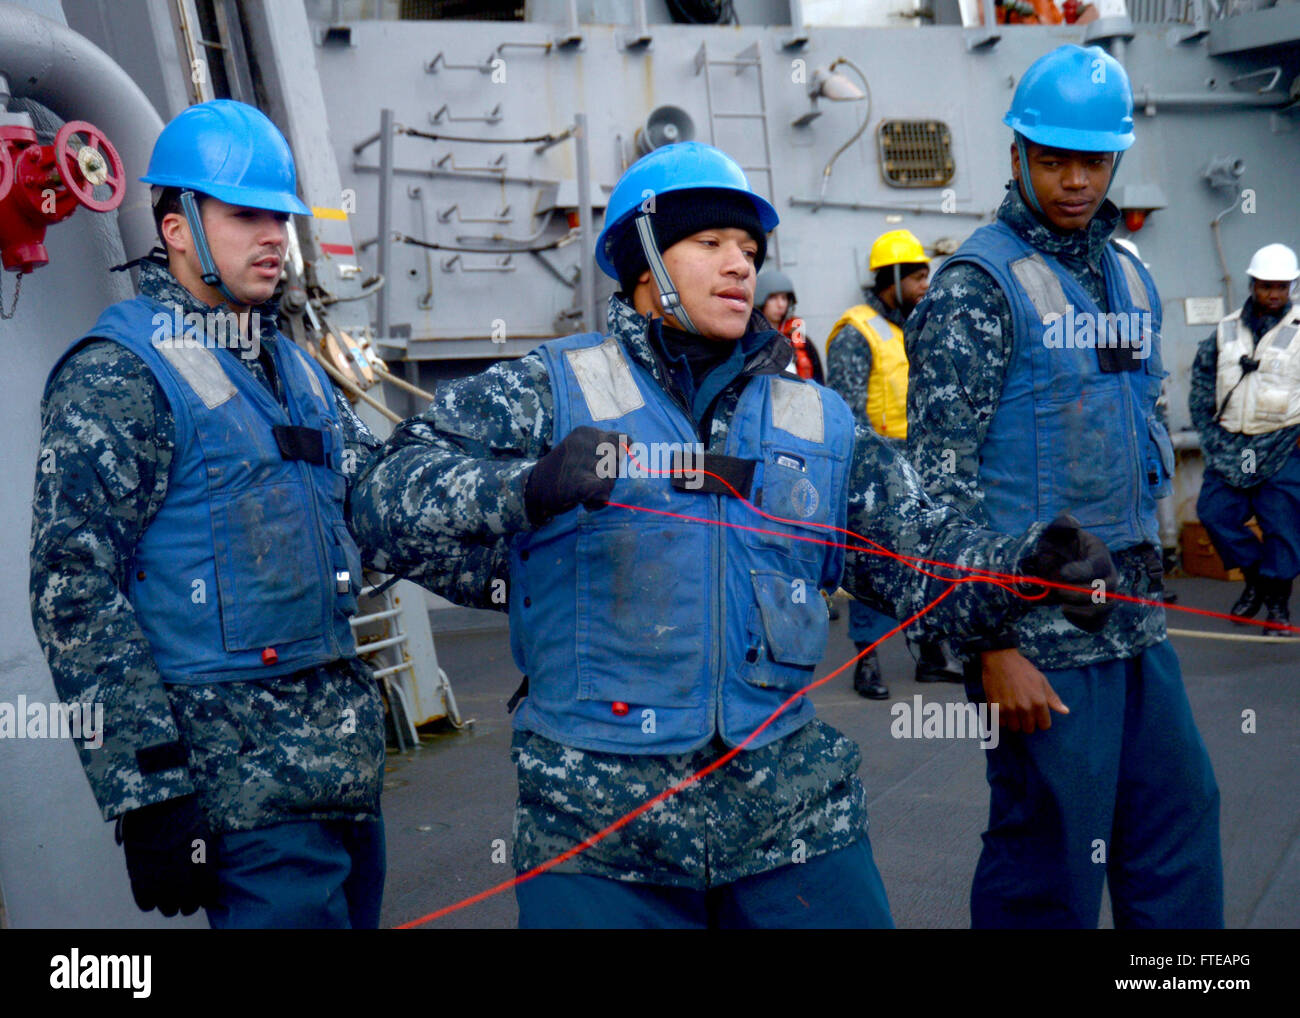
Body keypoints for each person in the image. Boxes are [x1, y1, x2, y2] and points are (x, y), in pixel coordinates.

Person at [349, 139, 1117, 929]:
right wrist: (527, 487)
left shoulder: (814, 416)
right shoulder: (551, 387)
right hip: (596, 826)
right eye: (709, 244)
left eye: (748, 249)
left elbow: (918, 547)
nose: (739, 266)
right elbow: (381, 497)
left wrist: (1025, 568)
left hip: (787, 811)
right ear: (644, 261)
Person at [29, 100, 389, 928]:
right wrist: (149, 789)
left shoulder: (292, 367)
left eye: (281, 218)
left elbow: (376, 504)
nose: (273, 236)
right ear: (179, 227)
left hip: (343, 783)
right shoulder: (120, 374)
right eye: (245, 215)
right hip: (244, 800)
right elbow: (73, 591)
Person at [904, 44, 1223, 929]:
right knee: (1050, 865)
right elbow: (935, 493)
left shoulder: (1130, 275)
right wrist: (988, 645)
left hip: (1134, 621)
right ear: (1017, 156)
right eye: (1053, 160)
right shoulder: (977, 289)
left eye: (1092, 160)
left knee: (1179, 829)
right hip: (1035, 638)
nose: (1074, 180)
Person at [824, 230, 962, 698]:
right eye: (920, 275)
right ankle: (867, 661)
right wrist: (874, 471)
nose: (928, 283)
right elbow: (846, 408)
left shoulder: (916, 326)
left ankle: (930, 655)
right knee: (876, 560)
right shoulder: (856, 332)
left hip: (924, 461)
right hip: (880, 468)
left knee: (930, 557)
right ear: (895, 276)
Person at [1190, 243, 1300, 634]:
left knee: (1282, 526)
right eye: (1266, 286)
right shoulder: (1225, 330)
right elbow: (1203, 382)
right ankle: (1257, 579)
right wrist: (1208, 432)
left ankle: (1277, 606)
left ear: (1291, 287)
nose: (1274, 295)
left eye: (1282, 287)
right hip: (1231, 446)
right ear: (1253, 284)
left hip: (1283, 442)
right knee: (1215, 514)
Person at [754, 268, 823, 382]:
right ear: (761, 300)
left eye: (784, 298)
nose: (780, 304)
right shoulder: (750, 342)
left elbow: (819, 383)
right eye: (773, 298)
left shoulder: (802, 342)